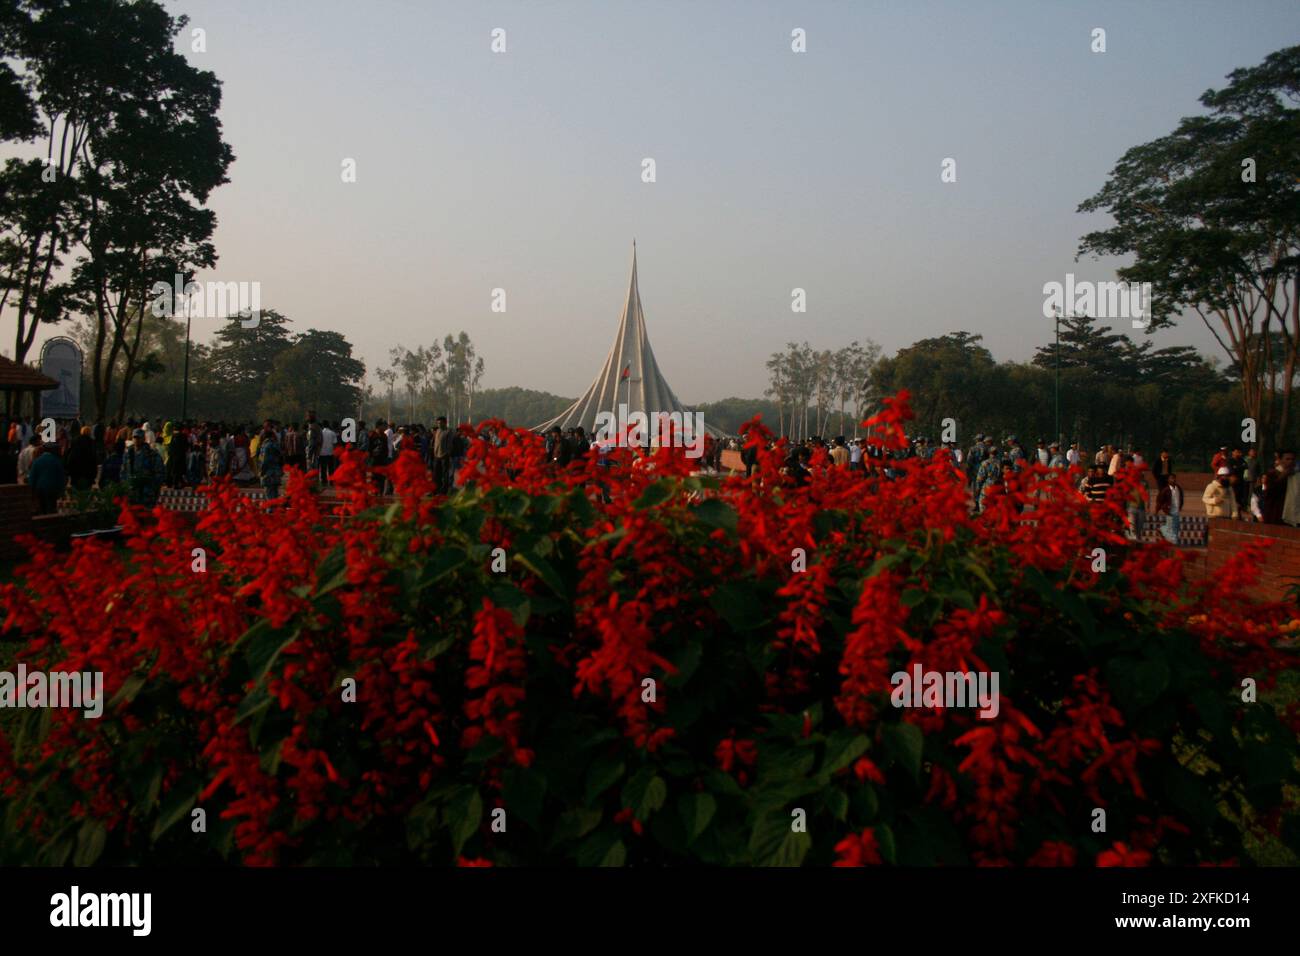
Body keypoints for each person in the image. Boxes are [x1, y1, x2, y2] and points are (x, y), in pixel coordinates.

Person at [122, 428, 164, 507]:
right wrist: (125, 485)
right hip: (131, 492)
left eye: (139, 438)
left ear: (143, 439)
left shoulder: (151, 454)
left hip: (147, 493)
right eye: (135, 437)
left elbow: (160, 472)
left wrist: (154, 487)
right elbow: (123, 471)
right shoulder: (128, 454)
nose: (136, 440)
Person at [28, 443, 67, 515]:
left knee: (42, 508)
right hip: (53, 489)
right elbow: (61, 477)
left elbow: (32, 478)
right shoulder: (57, 461)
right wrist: (62, 491)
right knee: (52, 508)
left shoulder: (37, 461)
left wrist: (32, 491)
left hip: (40, 489)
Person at [65, 426, 98, 491]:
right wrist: (94, 474)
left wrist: (68, 470)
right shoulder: (91, 443)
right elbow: (94, 459)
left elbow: (71, 457)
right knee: (86, 494)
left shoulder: (75, 441)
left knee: (76, 492)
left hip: (76, 472)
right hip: (88, 473)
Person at [1155, 472, 1184, 545]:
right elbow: (1159, 500)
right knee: (1173, 527)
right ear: (1168, 480)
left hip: (1176, 511)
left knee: (1176, 527)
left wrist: (1180, 506)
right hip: (1169, 511)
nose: (1173, 480)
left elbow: (1181, 498)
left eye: (1174, 478)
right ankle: (1174, 542)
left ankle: (1161, 529)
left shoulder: (1178, 488)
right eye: (1171, 478)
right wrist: (1157, 510)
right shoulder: (1166, 490)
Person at [257, 426, 284, 500]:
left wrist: (261, 472)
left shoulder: (265, 446)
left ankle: (270, 511)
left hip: (268, 474)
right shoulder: (276, 445)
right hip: (276, 473)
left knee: (269, 497)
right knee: (275, 496)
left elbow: (264, 461)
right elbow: (281, 458)